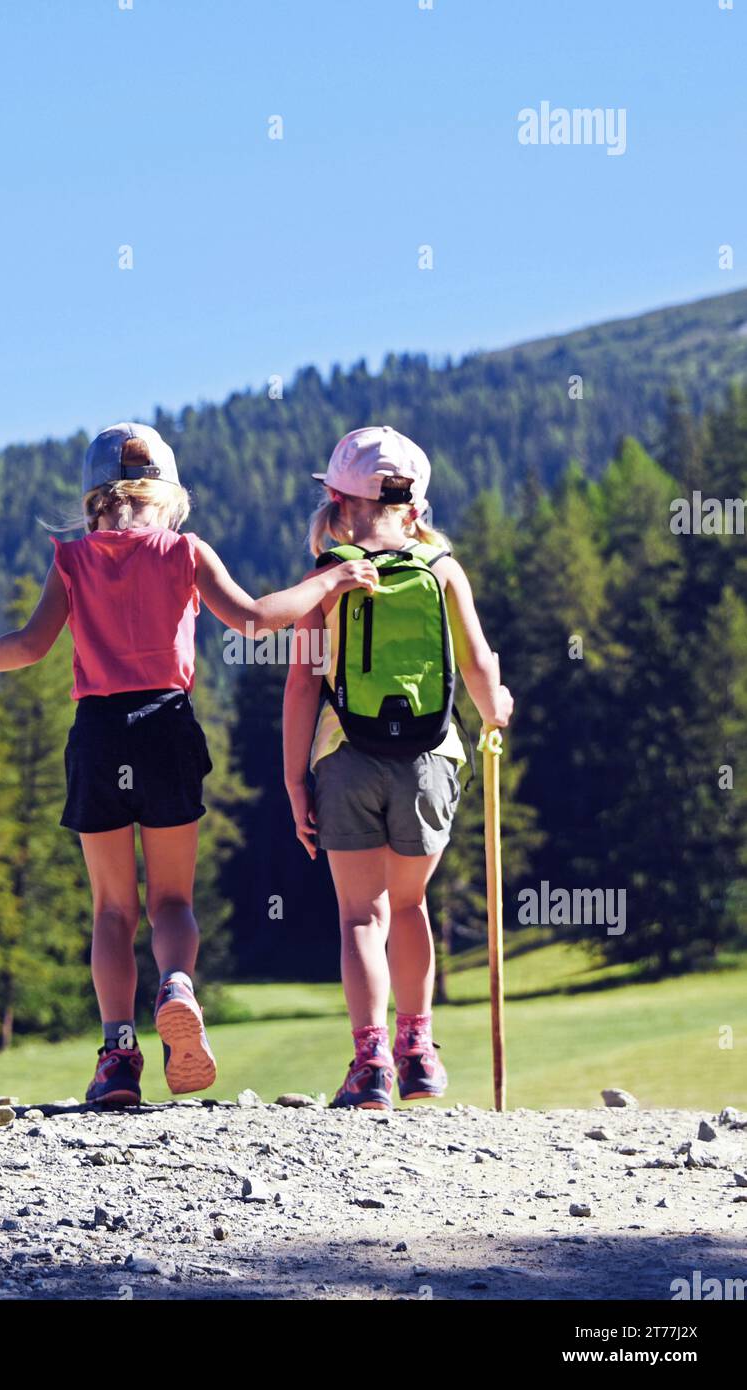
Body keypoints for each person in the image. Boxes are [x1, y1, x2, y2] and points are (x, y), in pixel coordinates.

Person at [0, 422, 376, 1106]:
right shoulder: (184, 552)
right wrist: (331, 582)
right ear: (168, 495)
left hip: (99, 734)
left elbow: (28, 648)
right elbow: (258, 620)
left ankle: (117, 1055)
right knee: (172, 900)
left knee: (114, 908)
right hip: (167, 728)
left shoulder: (73, 561)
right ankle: (177, 984)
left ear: (92, 499)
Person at [282, 426, 513, 1110]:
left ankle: (370, 1062)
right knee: (409, 906)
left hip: (345, 759)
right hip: (430, 760)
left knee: (361, 915)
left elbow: (302, 685)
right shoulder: (442, 568)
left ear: (335, 500)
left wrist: (297, 780)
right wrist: (495, 710)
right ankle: (420, 1051)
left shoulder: (326, 578)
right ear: (417, 505)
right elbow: (475, 666)